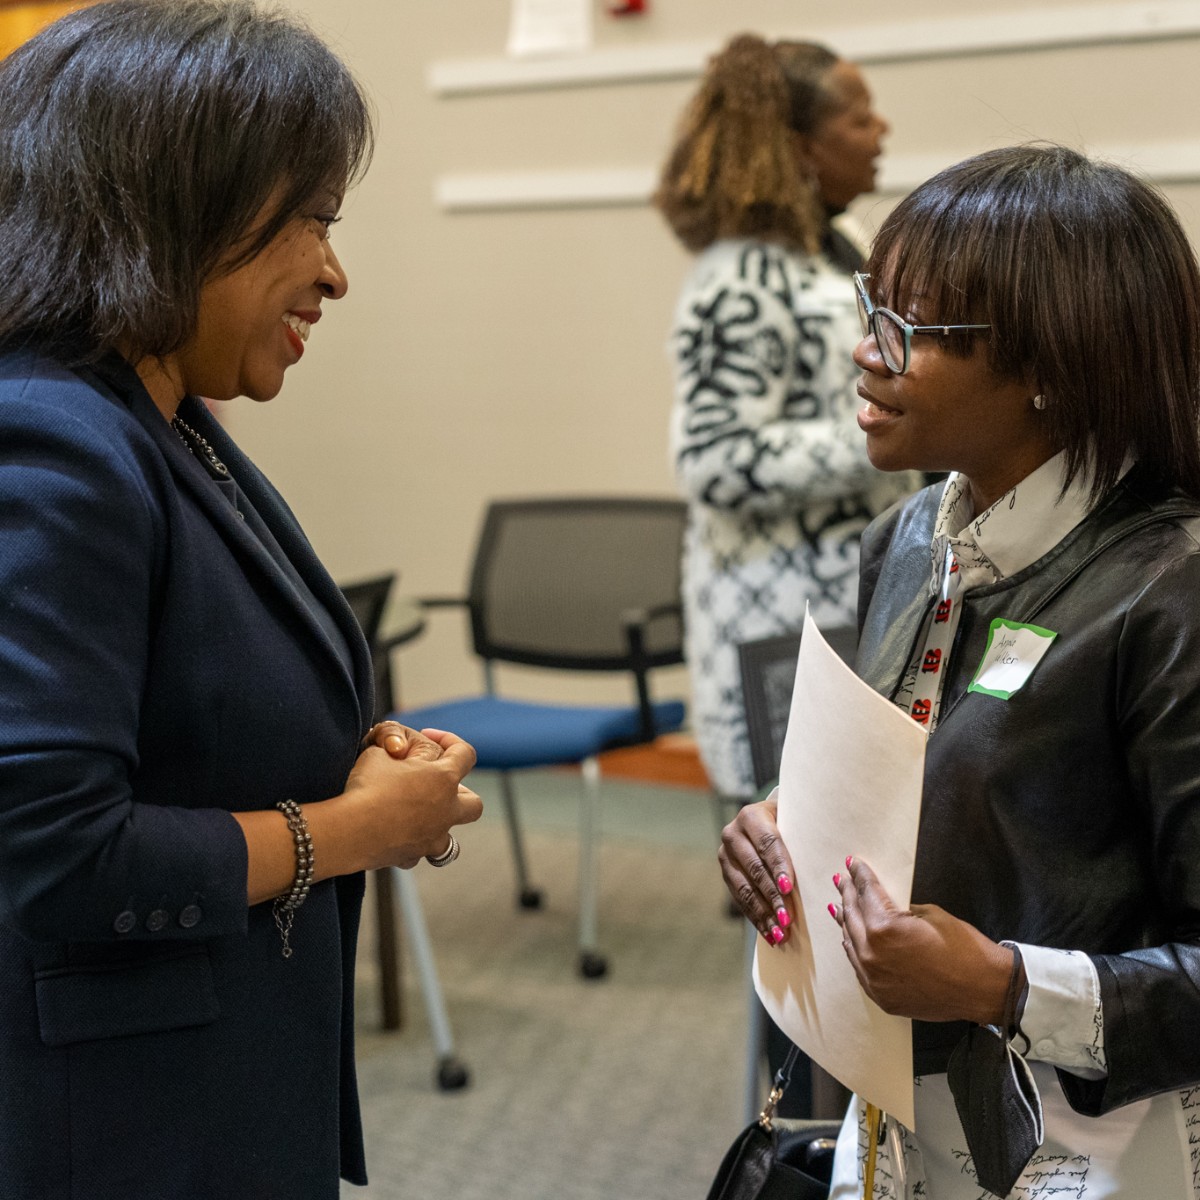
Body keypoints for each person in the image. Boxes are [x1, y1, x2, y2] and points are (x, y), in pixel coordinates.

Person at [0, 4, 481, 1198]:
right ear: (176, 206)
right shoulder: (54, 439)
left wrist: (356, 757)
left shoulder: (166, 420)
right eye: (311, 217)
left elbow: (182, 710)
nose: (333, 270)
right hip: (115, 1133)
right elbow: (58, 853)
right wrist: (363, 827)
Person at [720, 143, 1200, 1198]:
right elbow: (919, 787)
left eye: (913, 327)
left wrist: (1001, 985)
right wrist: (783, 825)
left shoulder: (1173, 588)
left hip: (1105, 1149)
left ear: (1054, 371)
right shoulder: (906, 541)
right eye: (871, 307)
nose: (866, 353)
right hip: (902, 1115)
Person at [655, 33, 917, 803]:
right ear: (801, 146)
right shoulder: (739, 277)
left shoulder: (841, 246)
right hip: (780, 623)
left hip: (857, 600)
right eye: (860, 119)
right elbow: (715, 459)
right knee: (789, 872)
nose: (882, 133)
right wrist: (885, 433)